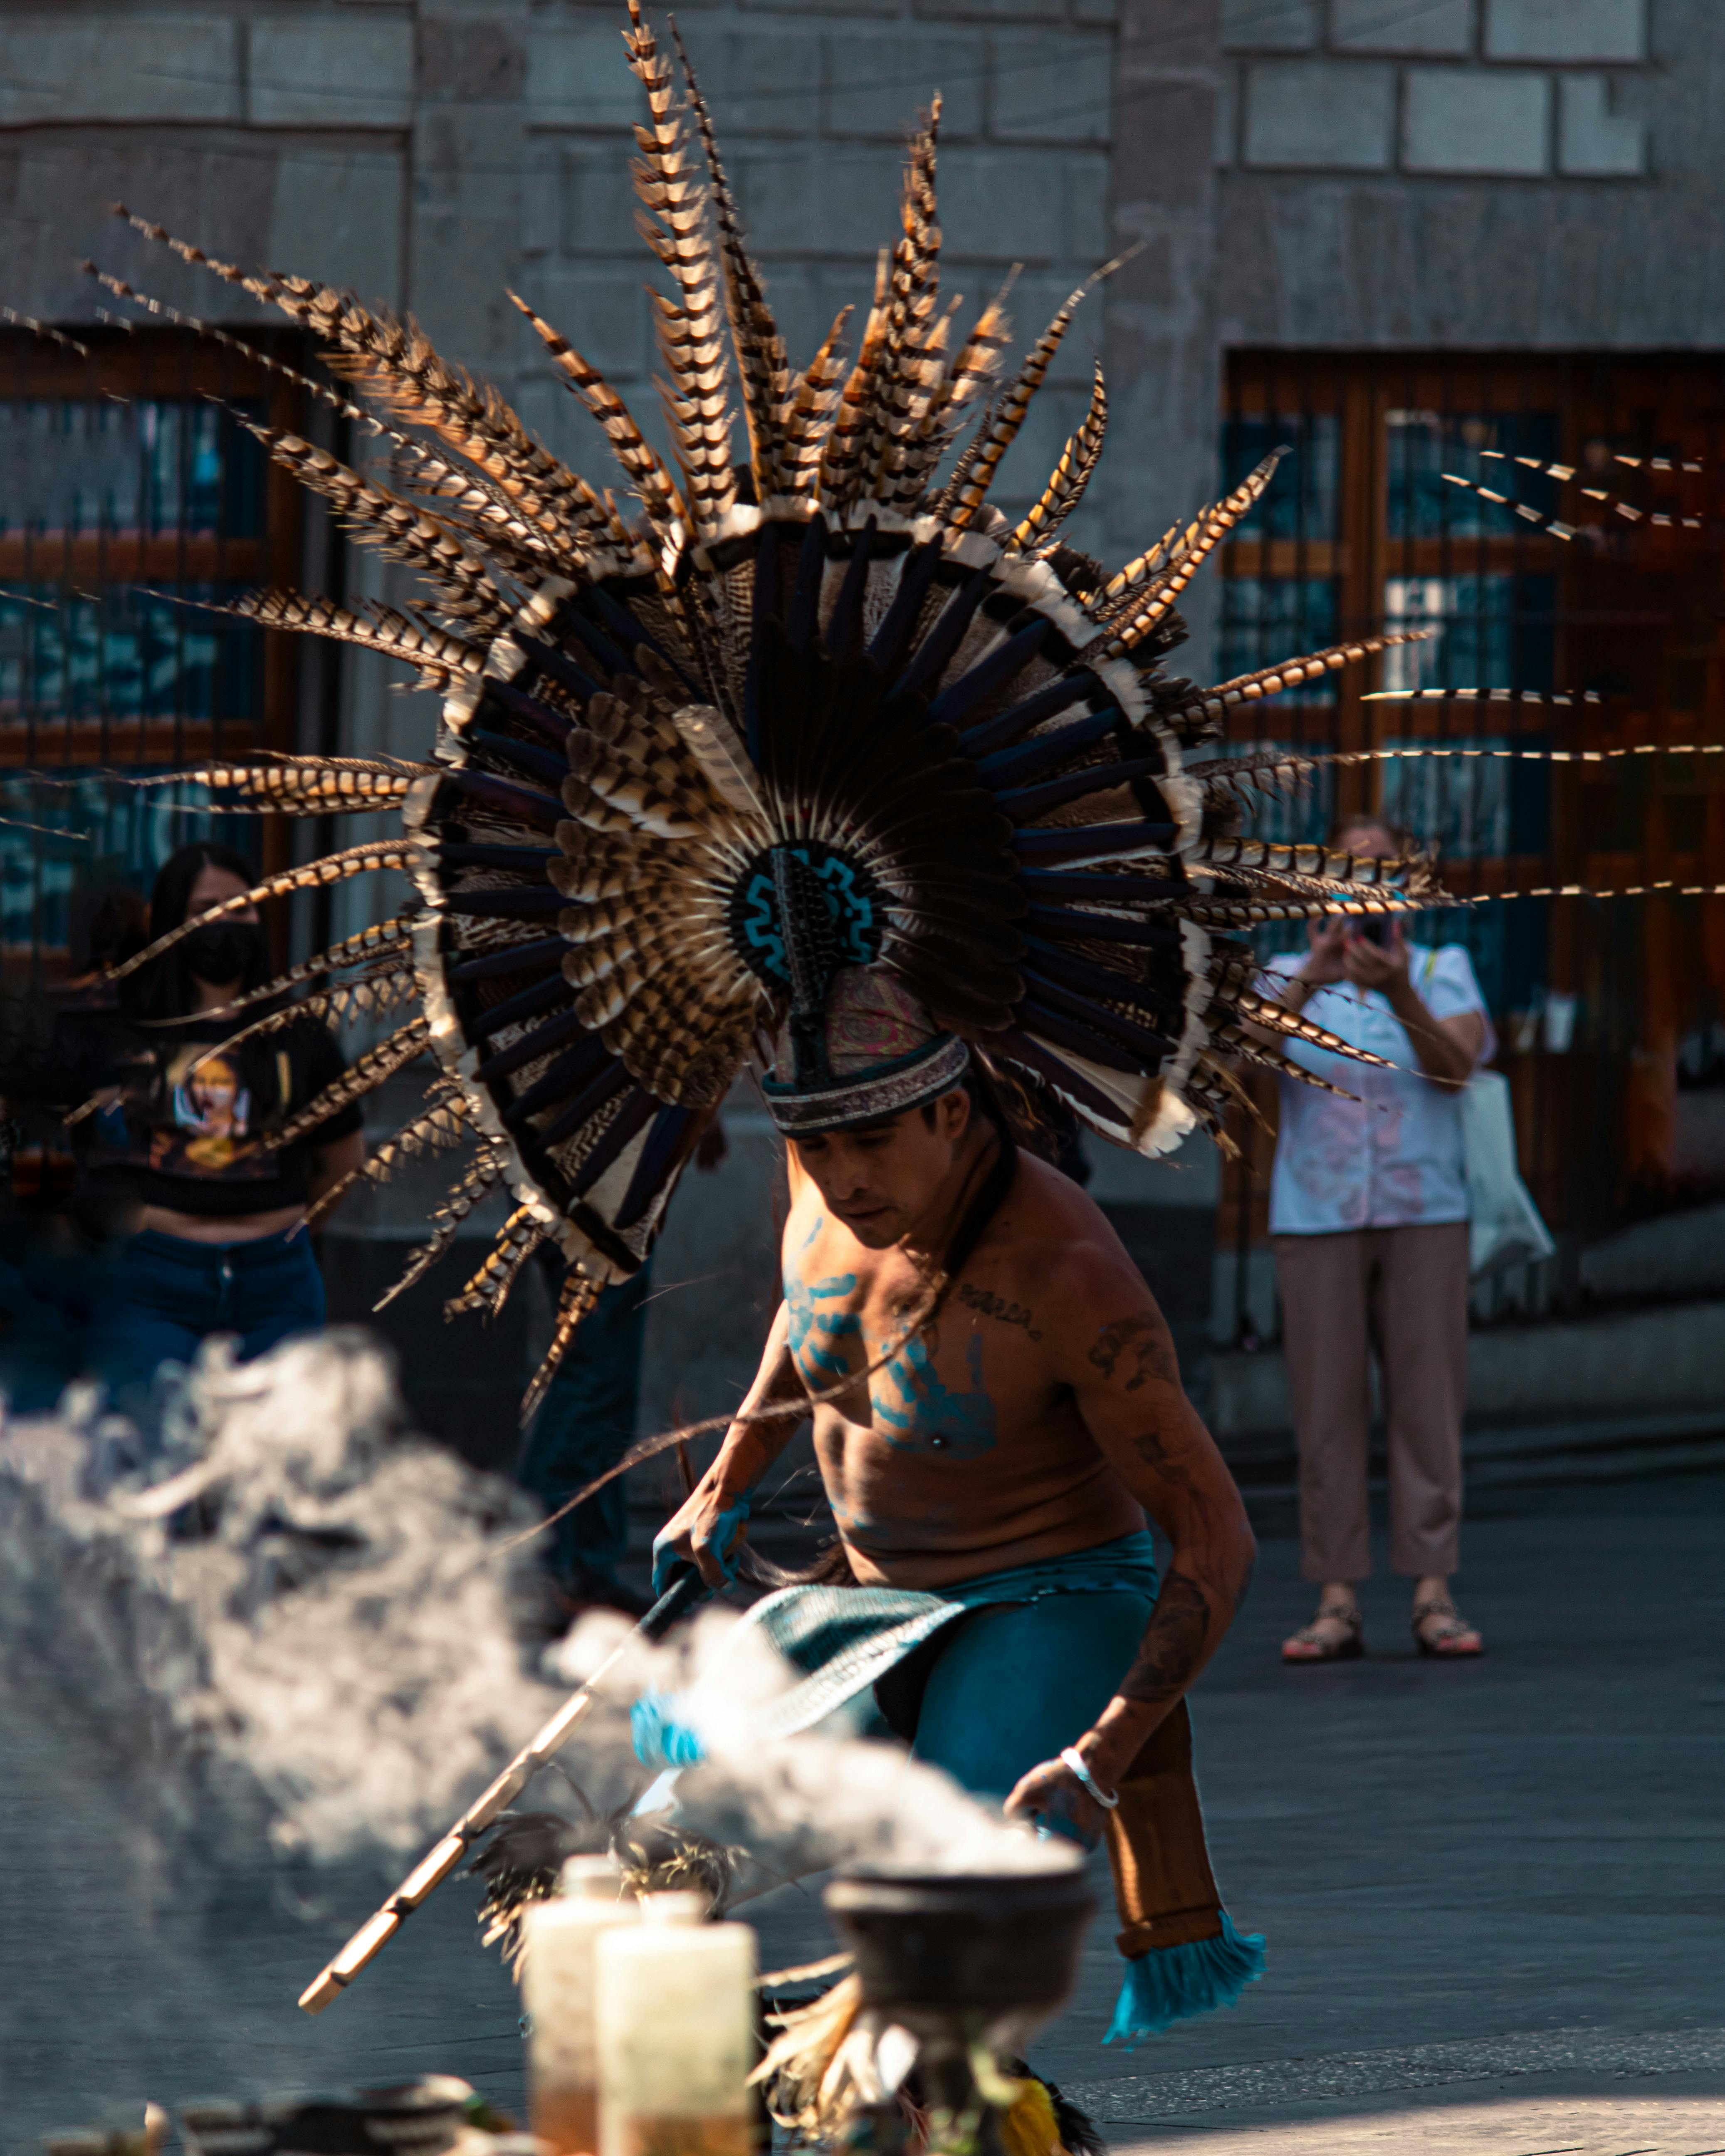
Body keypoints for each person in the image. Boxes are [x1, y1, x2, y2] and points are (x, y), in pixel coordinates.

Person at [650, 964, 1263, 2043]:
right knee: (657, 1855)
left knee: (930, 1919)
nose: (841, 1177)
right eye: (817, 1145)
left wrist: (1104, 1753)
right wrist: (723, 1480)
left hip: (1051, 1595)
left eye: (870, 1142)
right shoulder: (826, 1170)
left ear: (947, 1110)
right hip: (876, 1601)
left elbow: (1217, 1536)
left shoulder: (1064, 1270)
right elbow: (810, 1317)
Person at [1262, 816, 1493, 1663]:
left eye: (1382, 871)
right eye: (1347, 872)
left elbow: (1455, 1069)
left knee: (1427, 1406)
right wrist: (1311, 980)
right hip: (1315, 1217)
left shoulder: (1442, 972)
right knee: (1325, 1411)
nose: (1365, 887)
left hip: (1424, 1211)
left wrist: (1398, 994)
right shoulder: (1285, 973)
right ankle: (1335, 1599)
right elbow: (1238, 1056)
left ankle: (1433, 1592)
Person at [78, 842, 366, 1418]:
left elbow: (344, 1162)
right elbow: (91, 1152)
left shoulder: (301, 1034)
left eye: (241, 907)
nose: (224, 921)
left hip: (277, 1287)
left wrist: (286, 1239)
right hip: (157, 1285)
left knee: (270, 1479)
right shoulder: (128, 1033)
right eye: (205, 907)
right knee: (153, 1464)